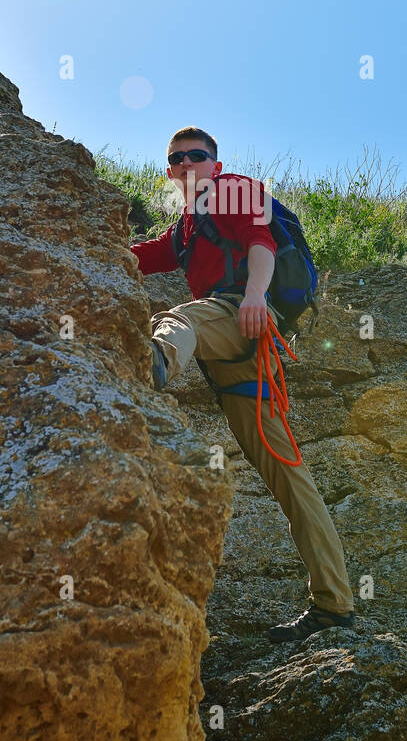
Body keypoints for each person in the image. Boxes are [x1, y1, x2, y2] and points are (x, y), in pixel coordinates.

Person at [130, 126, 355, 644]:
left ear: (215, 162)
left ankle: (152, 362)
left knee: (179, 321)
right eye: (178, 158)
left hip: (243, 315)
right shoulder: (186, 229)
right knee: (288, 475)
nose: (188, 163)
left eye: (198, 156)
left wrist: (255, 295)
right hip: (241, 355)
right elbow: (142, 258)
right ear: (169, 172)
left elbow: (262, 241)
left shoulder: (231, 190)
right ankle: (335, 602)